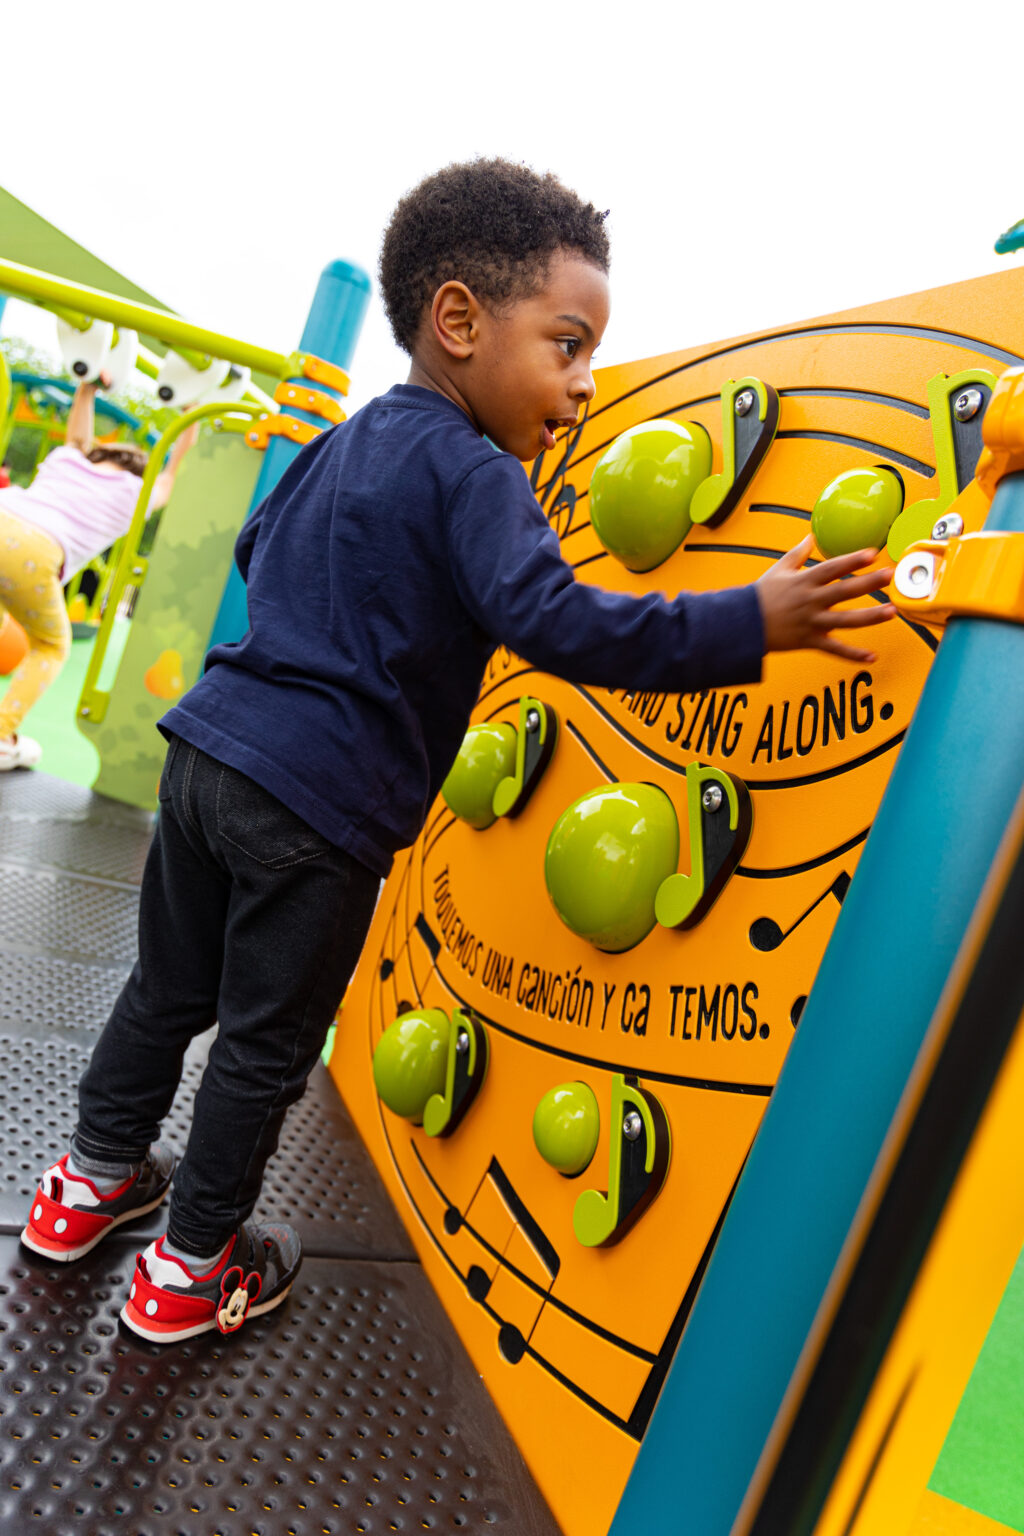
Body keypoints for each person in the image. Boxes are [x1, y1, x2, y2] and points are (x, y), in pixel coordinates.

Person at [21, 159, 895, 1344]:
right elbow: (564, 622)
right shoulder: (478, 475)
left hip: (210, 758)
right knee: (266, 1047)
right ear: (459, 321)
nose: (583, 386)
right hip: (317, 808)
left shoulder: (347, 440)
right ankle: (188, 1271)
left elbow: (257, 552)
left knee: (165, 991)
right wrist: (755, 618)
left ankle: (83, 1191)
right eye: (568, 344)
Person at [0, 376, 191, 769]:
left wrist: (87, 387)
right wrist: (191, 414)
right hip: (35, 550)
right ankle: (2, 735)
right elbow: (173, 473)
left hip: (5, 511)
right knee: (51, 646)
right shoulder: (137, 494)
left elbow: (77, 437)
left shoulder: (68, 459)